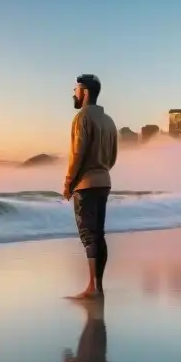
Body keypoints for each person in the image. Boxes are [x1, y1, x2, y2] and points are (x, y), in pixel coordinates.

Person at [63, 73, 118, 299]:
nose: (73, 94)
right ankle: (98, 287)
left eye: (75, 90)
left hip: (85, 184)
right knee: (98, 234)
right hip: (104, 182)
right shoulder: (109, 121)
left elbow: (78, 153)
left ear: (85, 93)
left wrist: (68, 183)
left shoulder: (82, 118)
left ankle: (93, 289)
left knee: (88, 234)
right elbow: (113, 156)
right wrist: (101, 170)